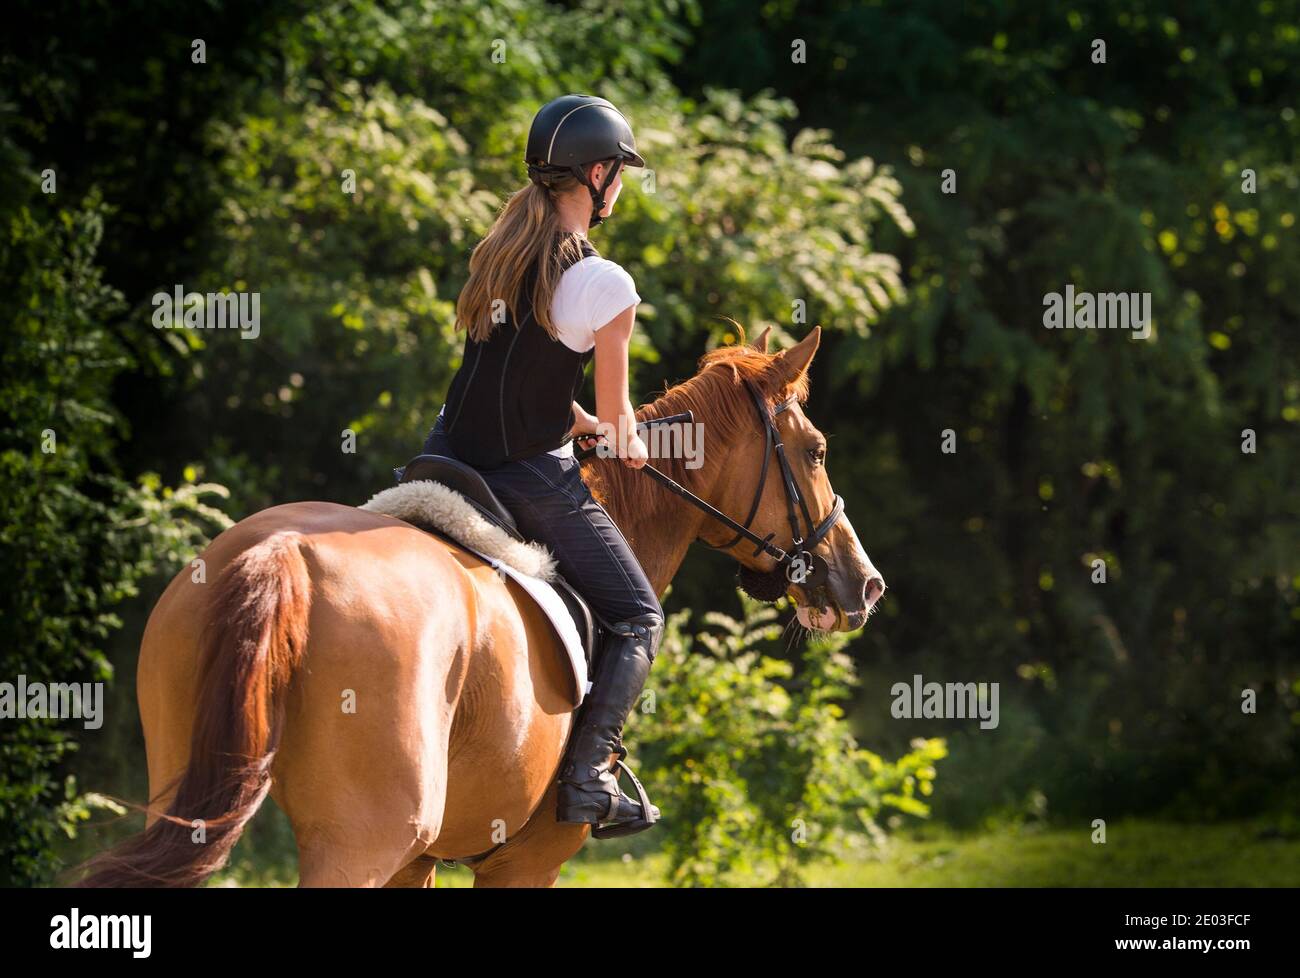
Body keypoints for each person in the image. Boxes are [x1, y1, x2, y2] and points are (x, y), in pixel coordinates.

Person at [421, 94, 662, 837]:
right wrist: (630, 441)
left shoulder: (503, 249)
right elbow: (622, 427)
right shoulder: (605, 283)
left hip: (444, 456)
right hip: (522, 475)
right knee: (637, 614)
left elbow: (520, 378)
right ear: (596, 175)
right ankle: (590, 780)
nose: (618, 184)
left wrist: (580, 422)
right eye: (618, 172)